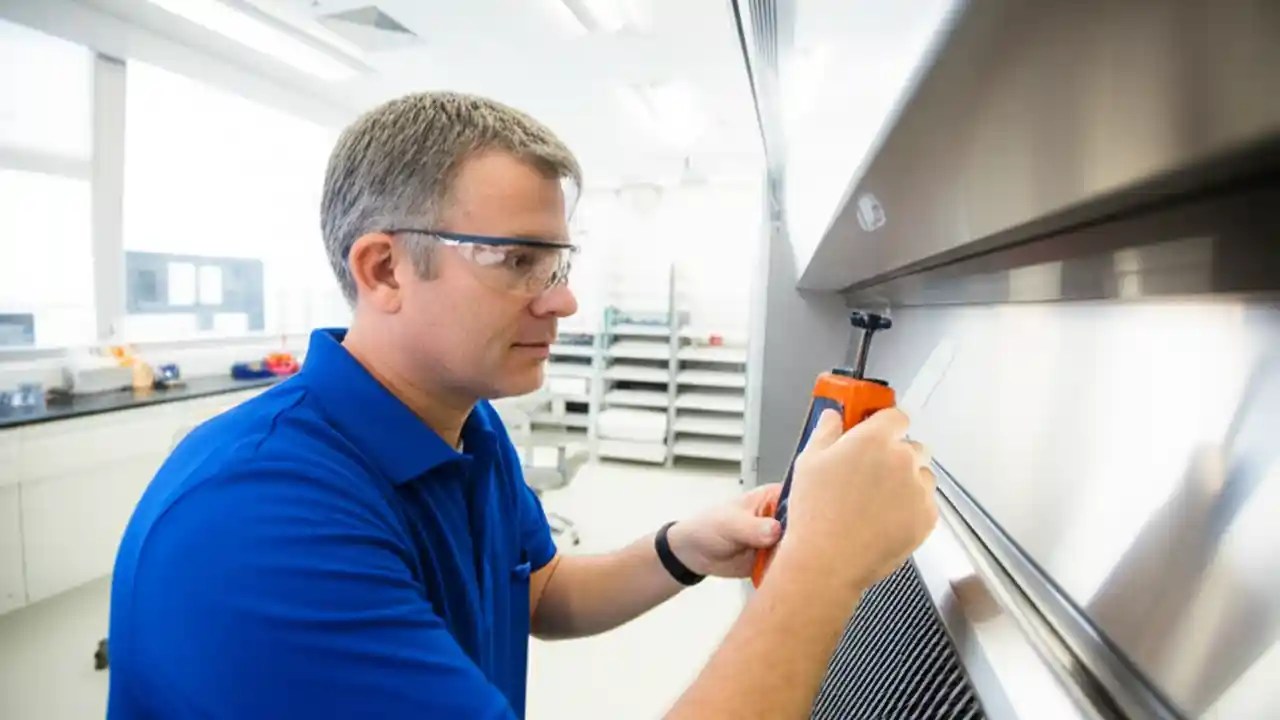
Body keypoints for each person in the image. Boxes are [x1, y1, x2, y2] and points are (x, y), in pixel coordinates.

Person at [107, 91, 937, 719]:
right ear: (385, 270)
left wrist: (681, 548)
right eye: (516, 261)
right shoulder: (259, 520)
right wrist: (821, 565)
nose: (562, 303)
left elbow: (535, 592)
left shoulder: (466, 423)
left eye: (558, 265)